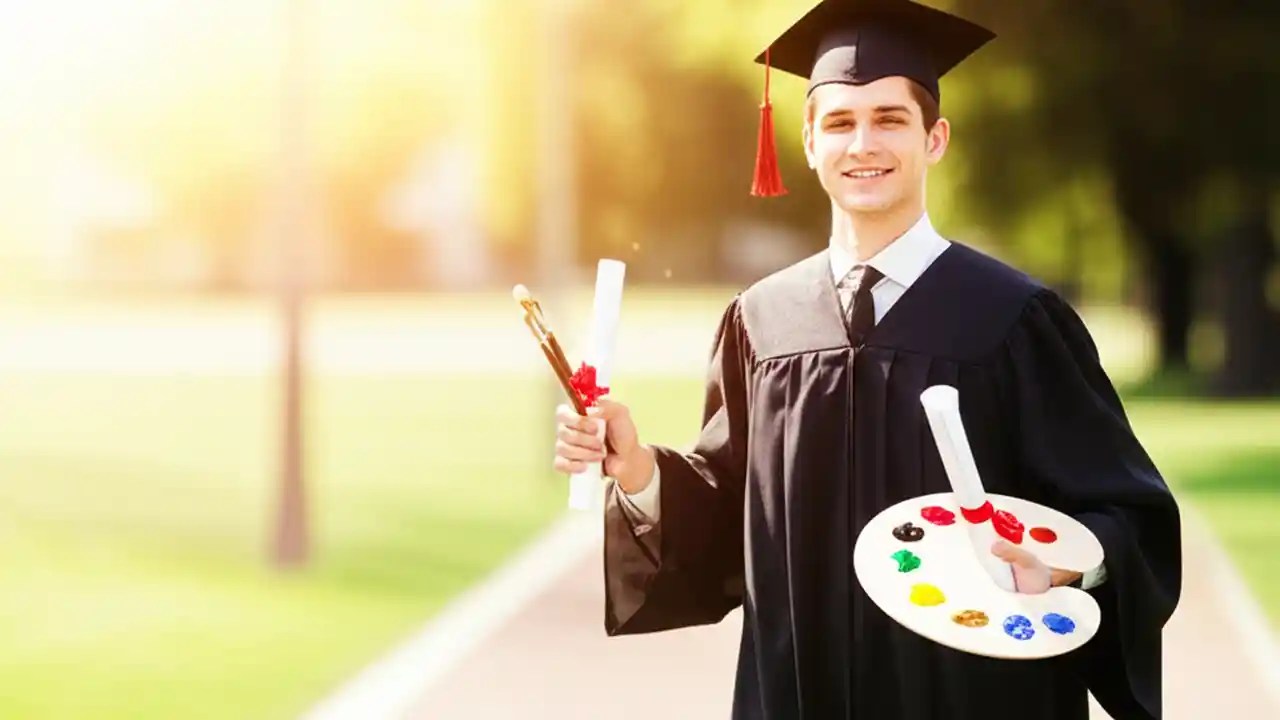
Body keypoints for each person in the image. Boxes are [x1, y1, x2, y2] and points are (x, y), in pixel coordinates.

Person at [552, 1, 1181, 717]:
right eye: (840, 123)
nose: (863, 145)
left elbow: (1129, 513)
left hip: (977, 696)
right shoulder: (763, 323)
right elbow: (732, 518)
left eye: (889, 119)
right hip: (800, 695)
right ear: (810, 142)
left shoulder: (1012, 319)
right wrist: (635, 467)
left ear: (935, 138)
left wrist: (1062, 558)